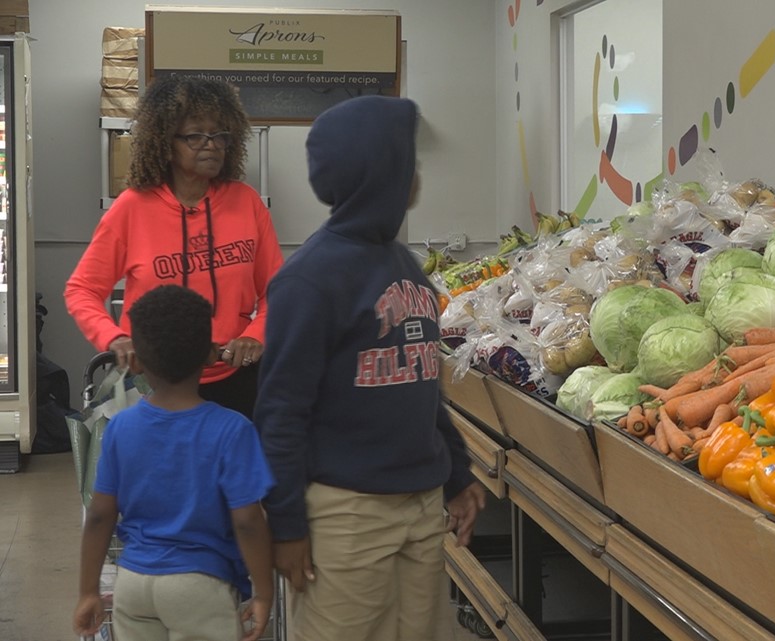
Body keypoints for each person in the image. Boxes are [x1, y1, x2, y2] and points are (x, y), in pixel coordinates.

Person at [255, 95, 485, 641]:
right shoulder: (309, 279)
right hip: (346, 513)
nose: (419, 173)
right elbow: (280, 415)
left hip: (420, 504)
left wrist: (456, 474)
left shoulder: (402, 263)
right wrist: (285, 526)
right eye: (409, 159)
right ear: (380, 170)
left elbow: (423, 384)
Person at [65, 75, 284, 419]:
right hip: (156, 385)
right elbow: (82, 290)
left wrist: (256, 335)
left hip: (237, 381)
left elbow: (278, 292)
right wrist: (115, 338)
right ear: (164, 141)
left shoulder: (247, 203)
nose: (211, 145)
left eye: (219, 134)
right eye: (196, 134)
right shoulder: (131, 208)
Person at [72, 285, 275, 641]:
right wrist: (263, 591)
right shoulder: (233, 430)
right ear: (211, 355)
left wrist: (89, 591)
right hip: (203, 585)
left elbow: (101, 515)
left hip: (134, 583)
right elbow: (247, 520)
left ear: (135, 361)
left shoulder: (121, 427)